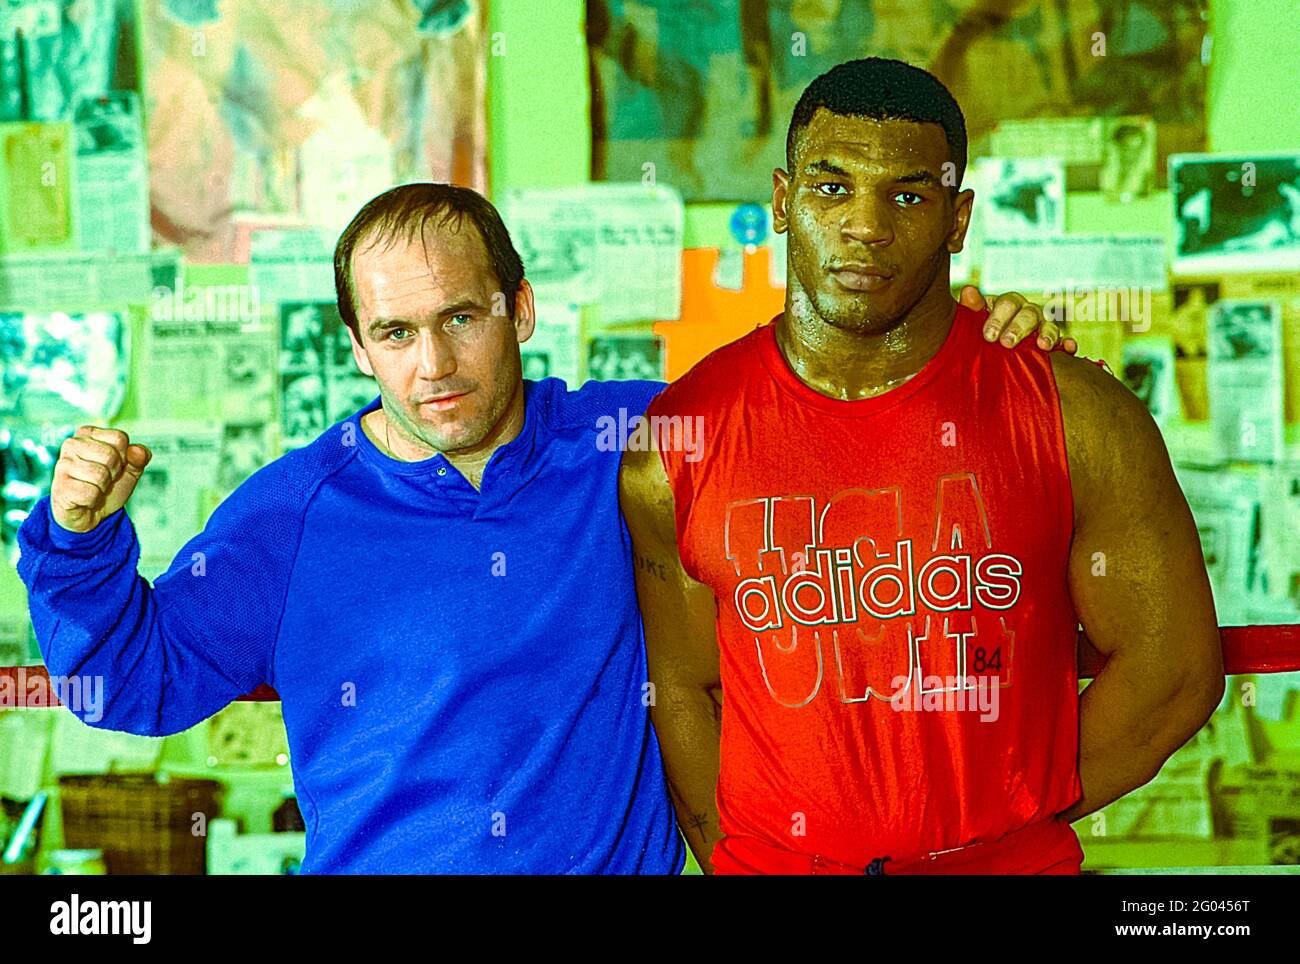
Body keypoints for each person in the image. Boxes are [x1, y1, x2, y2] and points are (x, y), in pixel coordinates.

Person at [18, 181, 1069, 874]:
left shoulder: (635, 438)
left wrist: (983, 350)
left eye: (459, 318)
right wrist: (77, 539)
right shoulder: (294, 511)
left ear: (518, 309)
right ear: (356, 347)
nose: (432, 365)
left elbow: (840, 436)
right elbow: (128, 684)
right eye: (394, 332)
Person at [619, 58, 1224, 876]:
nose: (866, 225)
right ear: (782, 200)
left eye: (908, 195)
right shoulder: (678, 437)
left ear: (958, 219)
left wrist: (1002, 824)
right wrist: (738, 860)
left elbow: (1176, 673)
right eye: (832, 187)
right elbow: (684, 690)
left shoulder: (1076, 412)